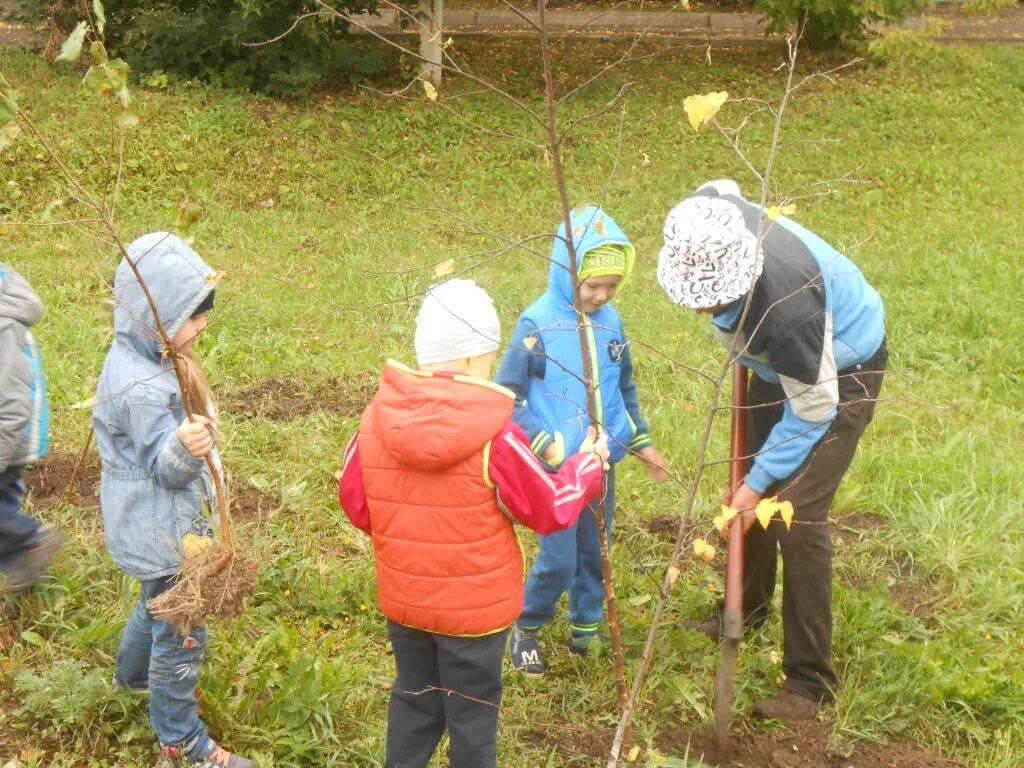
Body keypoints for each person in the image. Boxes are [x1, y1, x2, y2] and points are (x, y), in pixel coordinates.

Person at [338, 278, 610, 768]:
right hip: (476, 617)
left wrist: (408, 531)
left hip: (405, 603)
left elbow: (357, 503)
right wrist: (587, 465)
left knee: (414, 700)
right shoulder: (497, 438)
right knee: (473, 719)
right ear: (473, 359)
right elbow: (548, 508)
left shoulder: (375, 420)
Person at [657, 180, 887, 720]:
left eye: (712, 298)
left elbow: (813, 407)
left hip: (838, 369)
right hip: (778, 365)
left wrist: (759, 486)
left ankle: (809, 685)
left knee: (794, 513)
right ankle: (745, 608)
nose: (702, 309)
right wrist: (750, 484)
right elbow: (721, 184)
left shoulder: (786, 315)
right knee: (745, 483)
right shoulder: (711, 213)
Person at [93, 233, 253, 768]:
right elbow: (165, 468)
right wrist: (187, 448)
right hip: (163, 531)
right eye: (193, 315)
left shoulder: (143, 356)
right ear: (153, 314)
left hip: (148, 525)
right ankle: (181, 742)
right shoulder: (140, 386)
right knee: (182, 627)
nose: (203, 324)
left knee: (154, 603)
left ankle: (133, 678)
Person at [497, 206, 668, 677]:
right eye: (592, 285)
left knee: (597, 547)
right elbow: (507, 398)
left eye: (611, 286)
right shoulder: (536, 326)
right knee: (559, 558)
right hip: (558, 471)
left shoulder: (611, 323)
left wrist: (639, 440)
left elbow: (622, 388)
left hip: (602, 464)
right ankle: (527, 626)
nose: (601, 295)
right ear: (565, 271)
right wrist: (548, 446)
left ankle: (587, 629)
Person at [0, 263, 63, 595]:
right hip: (10, 437)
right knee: (4, 507)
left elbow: (11, 404)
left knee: (5, 517)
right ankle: (27, 575)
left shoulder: (3, 326)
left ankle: (29, 541)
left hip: (7, 438)